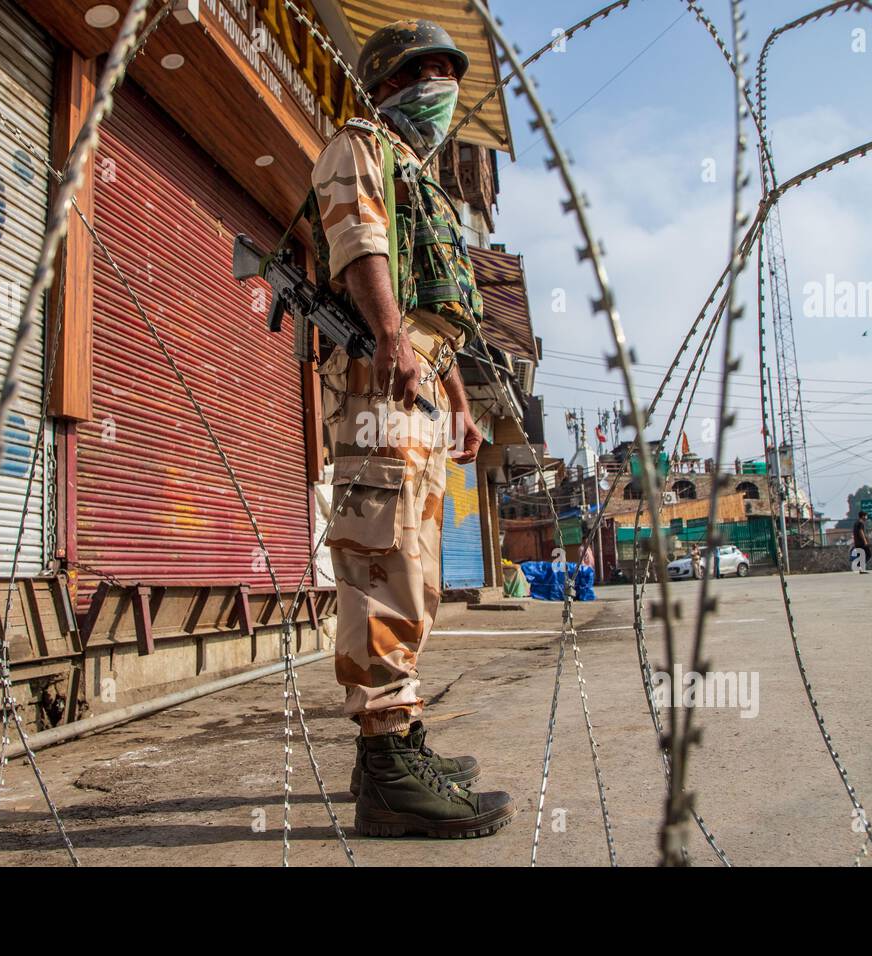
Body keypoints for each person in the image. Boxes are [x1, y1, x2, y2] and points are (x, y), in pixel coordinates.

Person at [308, 19, 515, 838]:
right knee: (380, 554)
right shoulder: (359, 145)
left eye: (447, 71)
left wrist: (458, 394)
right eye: (427, 70)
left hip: (422, 370)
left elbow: (438, 304)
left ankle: (397, 743)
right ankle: (388, 763)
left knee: (417, 568)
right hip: (380, 369)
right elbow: (361, 246)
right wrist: (390, 335)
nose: (442, 86)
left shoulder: (424, 180)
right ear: (389, 80)